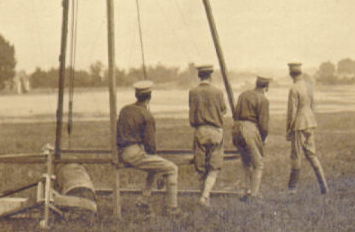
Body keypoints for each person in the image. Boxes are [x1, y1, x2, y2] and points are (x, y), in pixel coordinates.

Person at [116, 80, 180, 215]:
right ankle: (172, 208)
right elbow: (150, 146)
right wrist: (162, 172)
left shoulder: (124, 110)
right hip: (134, 154)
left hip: (121, 152)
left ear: (136, 95)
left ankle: (144, 201)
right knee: (172, 169)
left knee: (153, 167)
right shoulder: (147, 115)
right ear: (150, 96)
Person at [188, 63, 227, 207]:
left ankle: (204, 197)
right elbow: (223, 110)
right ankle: (205, 197)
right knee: (214, 168)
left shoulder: (193, 92)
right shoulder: (218, 92)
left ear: (199, 76)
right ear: (210, 75)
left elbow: (191, 115)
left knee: (201, 167)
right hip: (216, 131)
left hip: (200, 131)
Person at [285, 62, 328, 194]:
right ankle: (324, 187)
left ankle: (292, 189)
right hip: (310, 123)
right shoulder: (308, 86)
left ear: (291, 74)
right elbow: (313, 106)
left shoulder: (293, 88)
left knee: (296, 157)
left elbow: (292, 112)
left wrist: (289, 129)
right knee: (312, 155)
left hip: (299, 125)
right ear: (301, 72)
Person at [232, 76, 271, 201]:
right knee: (258, 164)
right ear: (266, 87)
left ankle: (244, 191)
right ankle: (254, 195)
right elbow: (264, 125)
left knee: (245, 162)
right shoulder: (263, 99)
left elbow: (235, 113)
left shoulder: (243, 94)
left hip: (236, 128)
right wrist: (263, 139)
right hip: (249, 129)